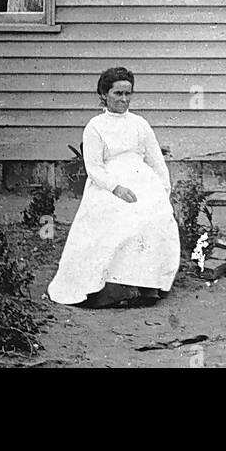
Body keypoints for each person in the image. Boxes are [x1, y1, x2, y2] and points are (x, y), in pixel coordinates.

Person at [48, 66, 179, 308]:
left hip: (142, 182)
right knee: (117, 218)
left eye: (128, 94)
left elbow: (156, 162)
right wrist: (116, 189)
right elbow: (94, 168)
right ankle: (114, 286)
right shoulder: (95, 127)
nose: (124, 99)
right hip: (108, 185)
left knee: (154, 215)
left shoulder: (140, 124)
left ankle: (147, 283)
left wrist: (162, 192)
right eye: (118, 93)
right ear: (104, 95)